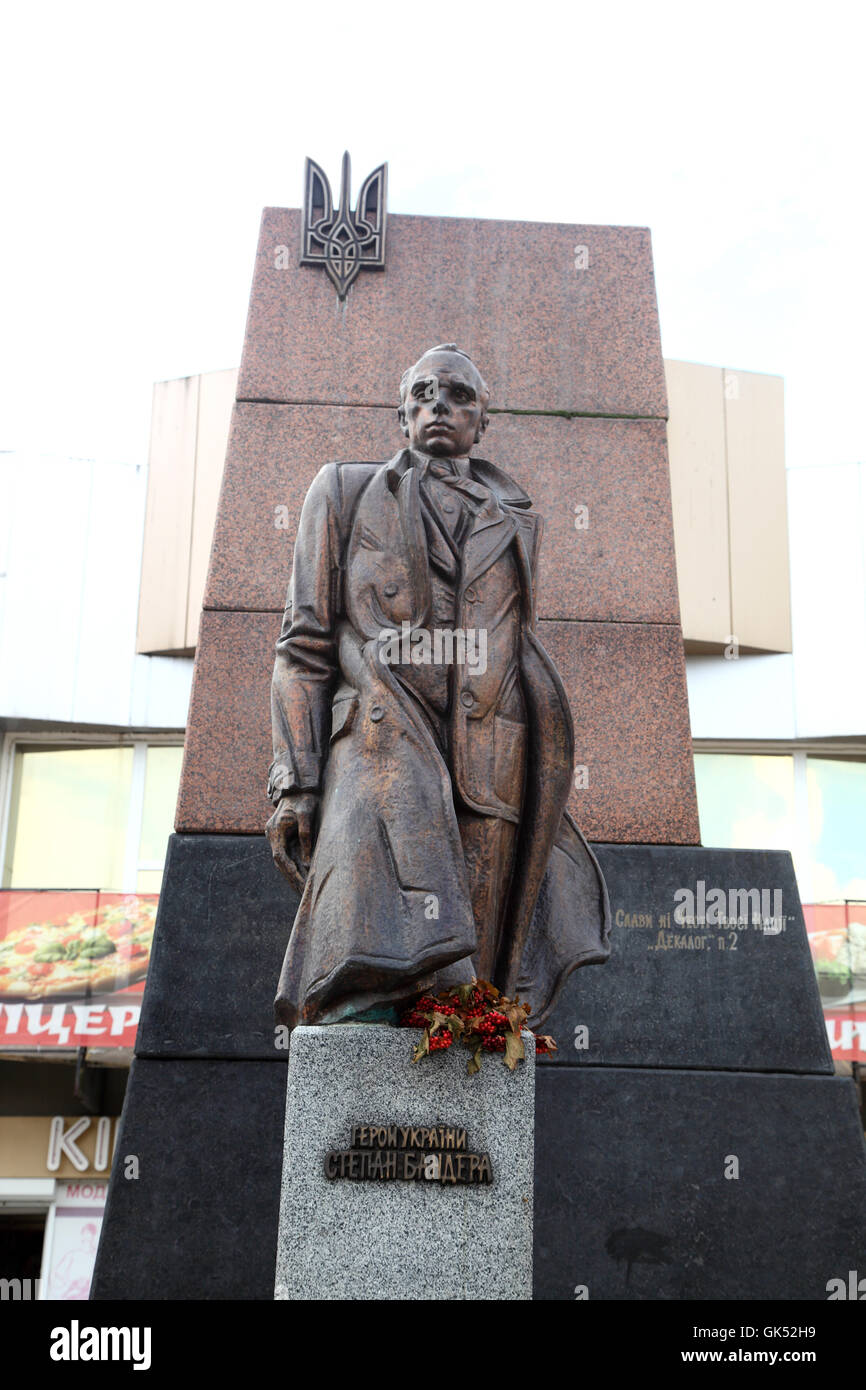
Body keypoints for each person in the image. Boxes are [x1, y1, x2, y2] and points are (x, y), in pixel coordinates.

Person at [266, 344, 609, 1028]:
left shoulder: (513, 519)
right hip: (381, 729)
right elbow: (303, 645)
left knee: (468, 998)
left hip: (491, 758)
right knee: (365, 953)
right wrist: (296, 778)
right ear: (402, 415)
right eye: (423, 394)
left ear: (482, 421)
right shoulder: (342, 490)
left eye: (457, 395)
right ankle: (355, 1091)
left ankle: (458, 1117)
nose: (439, 405)